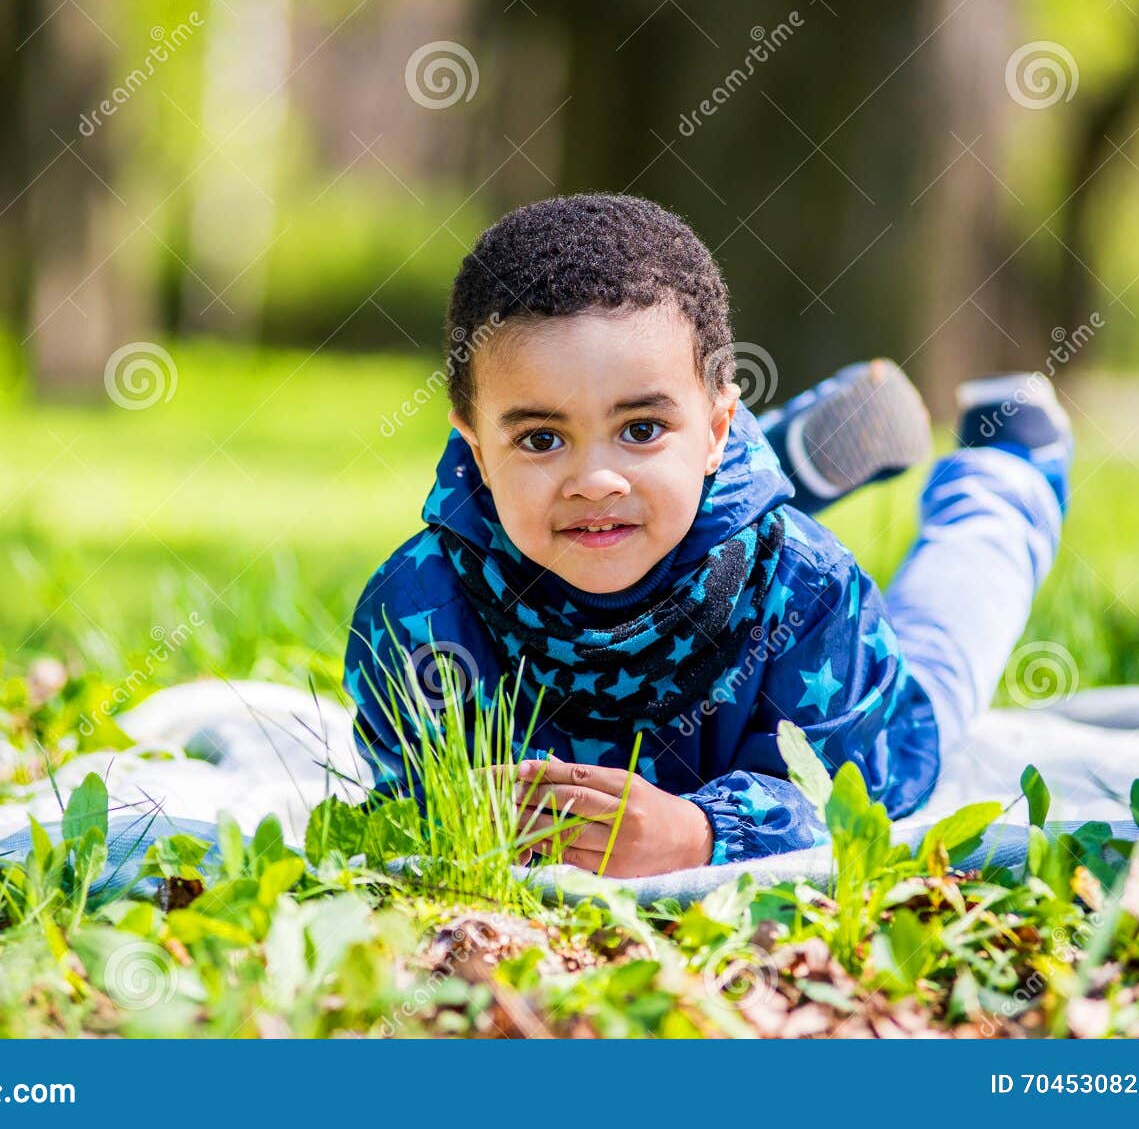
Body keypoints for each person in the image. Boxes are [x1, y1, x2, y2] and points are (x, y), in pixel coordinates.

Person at [342, 192, 1071, 877]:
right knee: (648, 503)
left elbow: (839, 800)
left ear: (720, 424)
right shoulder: (415, 613)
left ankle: (1009, 470)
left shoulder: (813, 589)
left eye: (641, 427)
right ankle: (719, 471)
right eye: (540, 439)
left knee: (943, 655)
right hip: (679, 512)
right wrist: (458, 819)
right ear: (474, 449)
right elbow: (402, 800)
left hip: (865, 713)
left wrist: (702, 835)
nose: (594, 479)